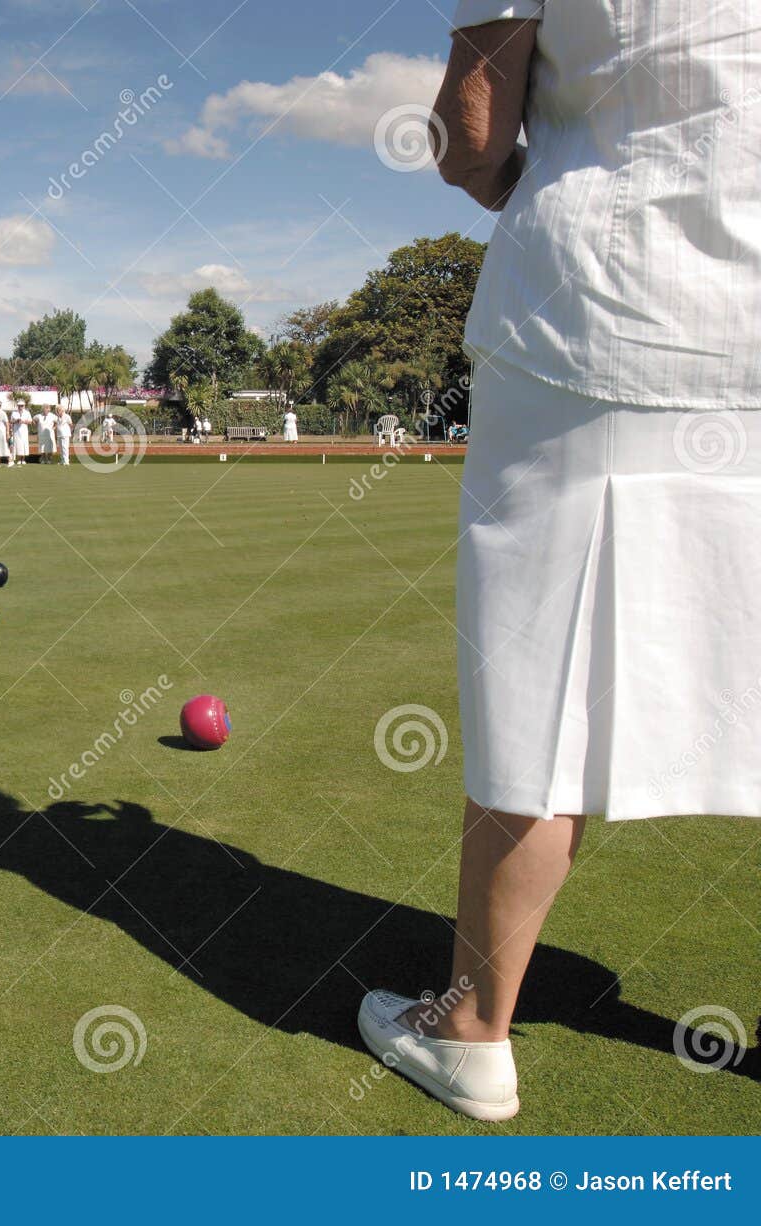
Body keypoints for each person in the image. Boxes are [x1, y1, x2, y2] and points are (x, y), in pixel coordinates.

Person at [359, 0, 761, 1123]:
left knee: (538, 677)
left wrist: (516, 173)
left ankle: (473, 1031)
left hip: (600, 315)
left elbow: (471, 137)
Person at [0, 398, 12, 467]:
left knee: (3, 445)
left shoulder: (3, 413)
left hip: (2, 431)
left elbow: (7, 423)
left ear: (0, 406)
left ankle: (9, 461)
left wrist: (7, 433)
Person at [10, 401, 31, 467]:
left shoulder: (27, 412)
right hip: (16, 431)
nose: (20, 407)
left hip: (24, 431)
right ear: (17, 406)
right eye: (19, 405)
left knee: (24, 444)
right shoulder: (14, 412)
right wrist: (16, 421)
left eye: (22, 405)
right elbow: (11, 421)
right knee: (18, 445)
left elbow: (30, 421)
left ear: (24, 406)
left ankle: (23, 459)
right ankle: (19, 459)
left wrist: (24, 421)